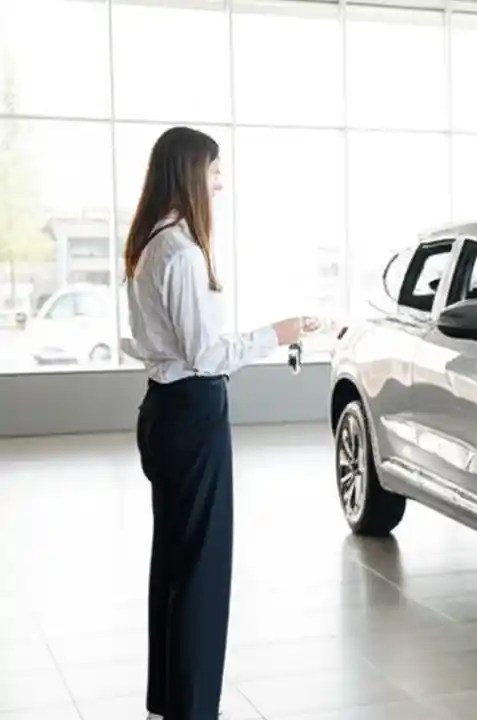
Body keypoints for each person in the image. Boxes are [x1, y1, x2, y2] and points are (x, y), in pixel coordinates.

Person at [121, 126, 316, 720]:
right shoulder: (180, 252)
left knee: (174, 562)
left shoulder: (151, 243)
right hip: (193, 410)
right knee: (203, 567)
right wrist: (278, 333)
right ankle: (195, 706)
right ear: (188, 175)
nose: (220, 182)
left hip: (164, 408)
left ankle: (170, 700)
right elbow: (207, 355)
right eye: (214, 171)